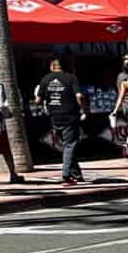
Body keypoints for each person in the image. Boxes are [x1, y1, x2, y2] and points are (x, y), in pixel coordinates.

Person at [35, 55, 87, 186]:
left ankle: (76, 173)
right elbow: (79, 96)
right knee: (70, 145)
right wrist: (84, 110)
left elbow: (38, 100)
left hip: (54, 117)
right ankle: (66, 175)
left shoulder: (45, 79)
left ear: (52, 66)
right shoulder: (71, 78)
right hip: (70, 115)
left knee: (67, 145)